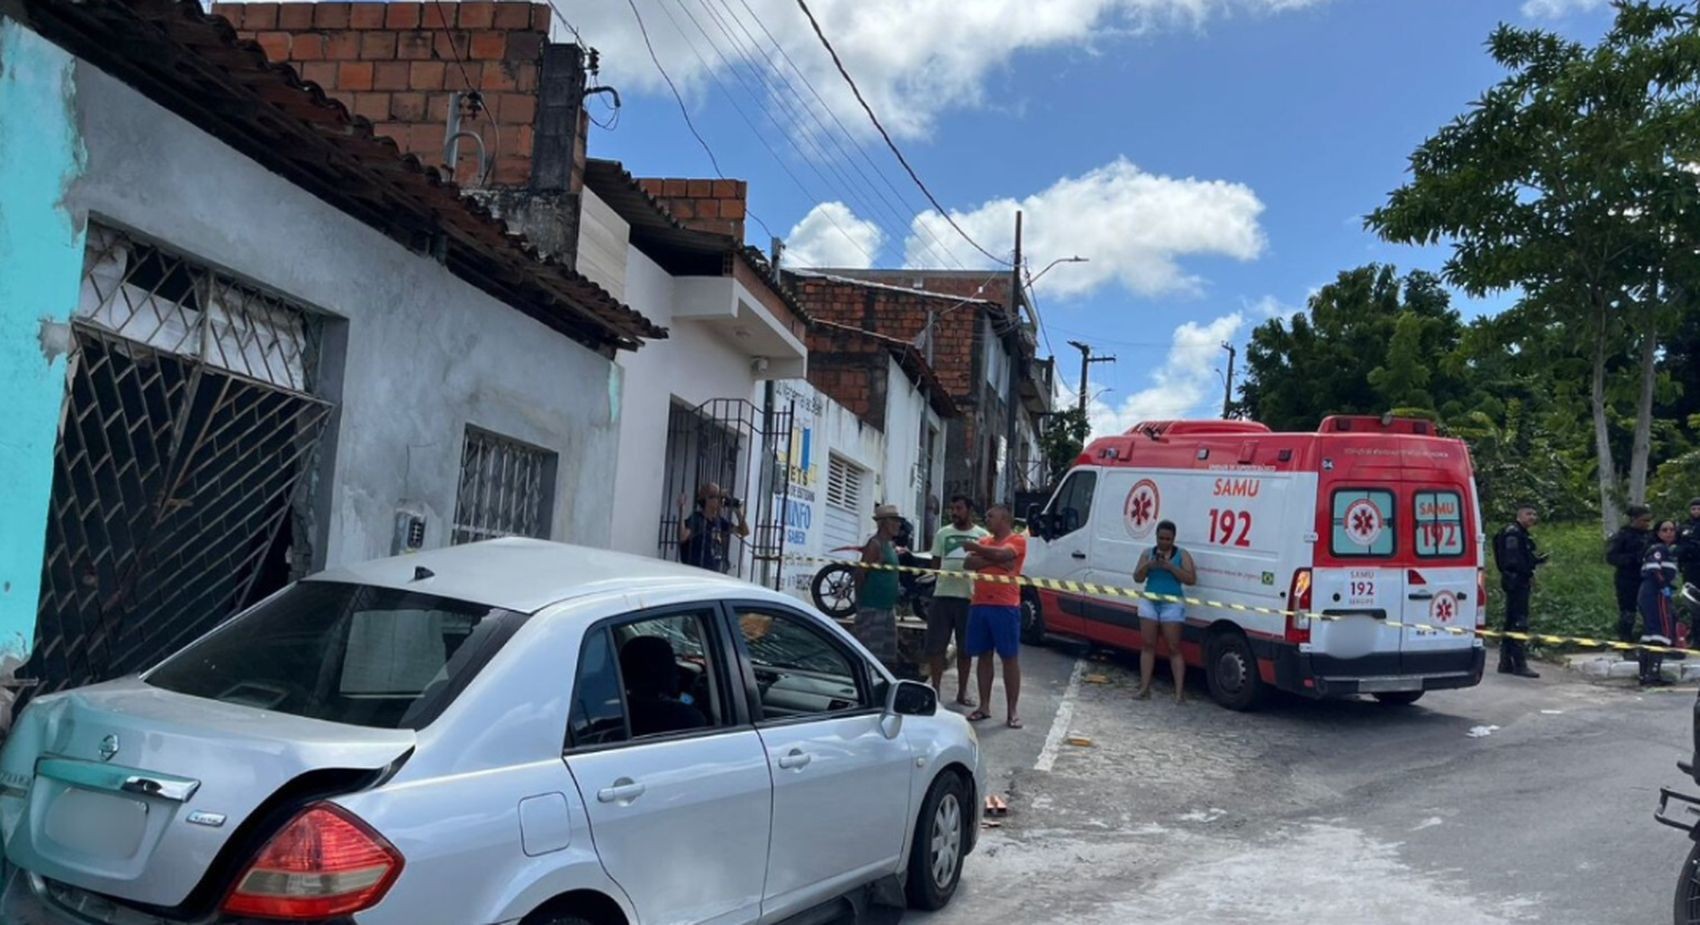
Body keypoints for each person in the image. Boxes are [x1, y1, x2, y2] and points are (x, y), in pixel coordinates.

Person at [963, 505, 1028, 729]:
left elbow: (1005, 555)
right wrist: (996, 561)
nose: (987, 518)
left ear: (1004, 518)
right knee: (983, 655)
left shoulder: (1017, 540)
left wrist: (976, 549)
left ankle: (1012, 710)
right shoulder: (985, 542)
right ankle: (984, 706)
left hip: (1005, 606)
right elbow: (968, 563)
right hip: (980, 603)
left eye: (991, 516)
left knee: (1009, 658)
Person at [928, 496, 989, 708]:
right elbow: (935, 562)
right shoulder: (942, 533)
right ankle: (934, 689)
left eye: (959, 508)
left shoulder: (982, 536)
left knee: (965, 649)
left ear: (969, 509)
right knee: (936, 646)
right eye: (952, 508)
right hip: (942, 597)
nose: (954, 512)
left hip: (969, 599)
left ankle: (962, 692)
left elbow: (987, 564)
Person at [1133, 520, 1198, 703]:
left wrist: (1170, 567)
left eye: (1168, 539)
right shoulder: (1148, 553)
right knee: (1147, 645)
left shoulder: (1182, 555)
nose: (1164, 542)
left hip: (1172, 603)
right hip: (1150, 602)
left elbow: (1191, 579)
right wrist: (1149, 566)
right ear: (1156, 537)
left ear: (1173, 538)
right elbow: (1137, 577)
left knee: (1174, 647)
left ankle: (1178, 693)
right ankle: (1144, 688)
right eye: (1161, 538)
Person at [1492, 504, 1548, 679]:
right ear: (1520, 515)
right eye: (1529, 514)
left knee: (1511, 621)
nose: (1533, 517)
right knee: (1519, 621)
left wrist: (1535, 561)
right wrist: (1527, 570)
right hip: (1516, 580)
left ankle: (1506, 662)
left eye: (1534, 514)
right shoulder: (1513, 533)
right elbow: (1512, 560)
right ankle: (1519, 663)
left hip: (1517, 578)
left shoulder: (1519, 533)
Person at [853, 505, 906, 674]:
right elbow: (860, 574)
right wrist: (861, 604)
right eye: (894, 521)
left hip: (887, 609)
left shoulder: (889, 545)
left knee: (887, 658)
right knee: (870, 655)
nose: (898, 525)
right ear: (884, 523)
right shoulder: (875, 544)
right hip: (872, 609)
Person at [1638, 520, 1683, 686]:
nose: (1669, 533)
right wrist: (1664, 587)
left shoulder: (1667, 550)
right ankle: (1652, 674)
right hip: (1655, 593)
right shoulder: (1659, 549)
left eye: (1672, 529)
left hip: (1650, 592)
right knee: (1661, 631)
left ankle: (1645, 674)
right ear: (1658, 533)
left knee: (1650, 632)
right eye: (1665, 530)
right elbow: (1653, 569)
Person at [1606, 505, 1655, 647]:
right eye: (1644, 520)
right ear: (1634, 520)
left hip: (1647, 578)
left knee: (1650, 610)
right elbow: (1611, 557)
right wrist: (1634, 558)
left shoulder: (1650, 536)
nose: (1647, 524)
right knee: (1628, 611)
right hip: (1627, 578)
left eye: (1649, 521)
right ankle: (1625, 641)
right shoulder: (1623, 536)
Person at [677, 483, 749, 574]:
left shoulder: (718, 521)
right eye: (717, 497)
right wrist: (681, 511)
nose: (720, 500)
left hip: (713, 573)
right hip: (697, 572)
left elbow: (743, 532)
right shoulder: (697, 519)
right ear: (707, 500)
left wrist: (737, 512)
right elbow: (682, 537)